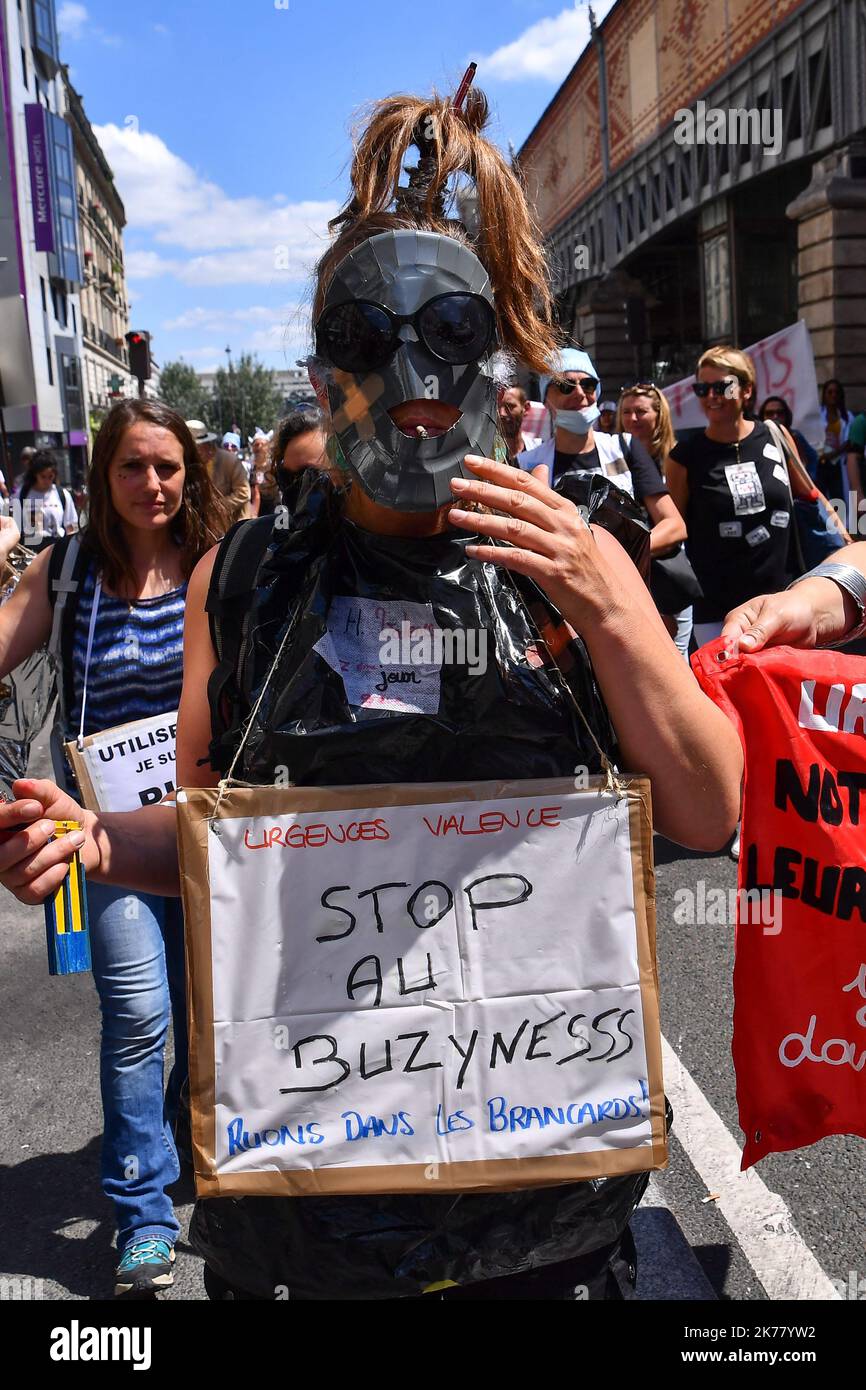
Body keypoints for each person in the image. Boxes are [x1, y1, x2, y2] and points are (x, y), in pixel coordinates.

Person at [0, 88, 742, 1301]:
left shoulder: (576, 557)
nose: (410, 376)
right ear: (318, 366)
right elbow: (205, 839)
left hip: (540, 1208)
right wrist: (88, 840)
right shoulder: (245, 581)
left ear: (493, 355)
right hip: (313, 1213)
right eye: (364, 335)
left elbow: (708, 813)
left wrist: (608, 606)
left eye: (448, 329)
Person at [0, 400, 227, 1296]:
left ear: (191, 473)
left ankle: (195, 1151)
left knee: (209, 1016)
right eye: (132, 466)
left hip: (209, 837)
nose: (153, 485)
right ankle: (141, 1212)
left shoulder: (220, 565)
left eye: (167, 466)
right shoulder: (66, 574)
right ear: (104, 477)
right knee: (138, 1016)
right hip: (101, 838)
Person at [665, 346, 800, 648]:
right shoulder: (684, 457)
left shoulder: (775, 435)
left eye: (721, 387)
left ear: (747, 390)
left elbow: (810, 495)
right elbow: (674, 528)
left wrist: (846, 543)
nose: (711, 396)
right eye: (702, 388)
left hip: (784, 598)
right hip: (717, 608)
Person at [617, 384, 692, 658]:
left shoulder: (677, 457)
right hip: (632, 573)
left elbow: (680, 520)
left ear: (659, 415)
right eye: (626, 412)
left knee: (675, 655)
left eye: (641, 411)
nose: (632, 419)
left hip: (668, 568)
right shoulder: (616, 454)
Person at [519, 348, 640, 497]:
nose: (579, 393)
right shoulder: (525, 464)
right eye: (565, 385)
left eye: (588, 384)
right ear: (546, 400)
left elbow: (670, 518)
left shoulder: (625, 447)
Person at [186, 420, 250, 523]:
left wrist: (216, 508)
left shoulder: (229, 461)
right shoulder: (192, 465)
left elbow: (243, 493)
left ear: (205, 444)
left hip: (232, 527)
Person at [17, 450, 78, 551]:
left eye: (50, 476)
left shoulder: (62, 494)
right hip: (31, 550)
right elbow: (14, 526)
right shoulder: (22, 494)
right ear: (35, 474)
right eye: (43, 476)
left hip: (57, 548)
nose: (47, 480)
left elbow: (70, 526)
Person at [759, 396, 820, 481]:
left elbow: (813, 457)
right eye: (769, 413)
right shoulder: (758, 439)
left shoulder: (795, 436)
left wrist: (808, 479)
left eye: (780, 413)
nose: (775, 416)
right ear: (762, 417)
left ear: (786, 415)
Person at [498, 385, 534, 461]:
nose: (502, 413)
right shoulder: (486, 453)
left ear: (526, 408)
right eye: (497, 406)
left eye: (509, 406)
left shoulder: (538, 452)